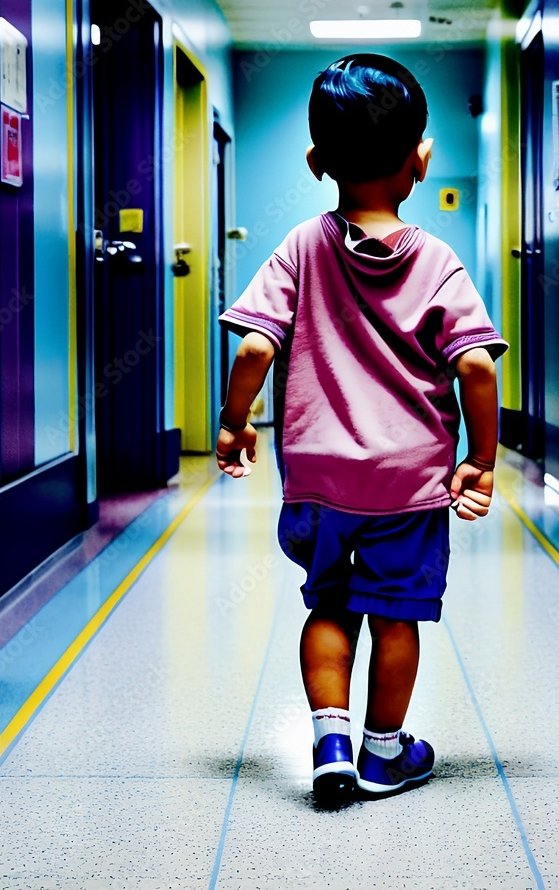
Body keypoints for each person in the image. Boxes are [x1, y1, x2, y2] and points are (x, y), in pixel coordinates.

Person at [215, 53, 507, 805]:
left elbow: (254, 348)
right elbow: (477, 366)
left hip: (319, 479)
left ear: (317, 162)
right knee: (398, 615)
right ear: (420, 161)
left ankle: (330, 744)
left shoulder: (300, 247)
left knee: (330, 604)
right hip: (409, 482)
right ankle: (384, 753)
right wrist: (480, 459)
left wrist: (234, 422)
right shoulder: (438, 262)